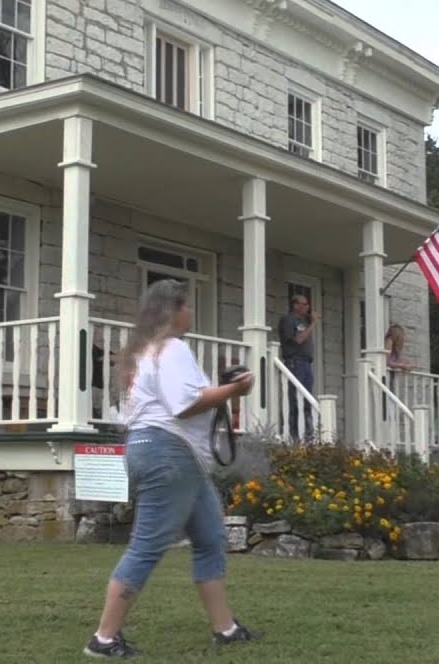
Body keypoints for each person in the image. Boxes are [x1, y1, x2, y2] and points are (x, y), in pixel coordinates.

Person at [84, 280, 262, 659]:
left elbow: (177, 401)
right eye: (188, 307)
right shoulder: (173, 348)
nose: (191, 313)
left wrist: (223, 390)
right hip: (169, 455)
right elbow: (184, 403)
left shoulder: (147, 352)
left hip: (168, 455)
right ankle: (103, 638)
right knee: (147, 544)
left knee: (211, 537)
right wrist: (236, 390)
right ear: (173, 311)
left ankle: (225, 629)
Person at [278, 294, 316, 441]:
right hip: (295, 362)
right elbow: (298, 339)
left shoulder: (303, 321)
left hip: (306, 363)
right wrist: (313, 323)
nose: (307, 307)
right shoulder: (289, 320)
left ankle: (307, 434)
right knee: (295, 399)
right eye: (304, 304)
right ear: (295, 305)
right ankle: (294, 435)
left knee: (306, 399)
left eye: (307, 304)